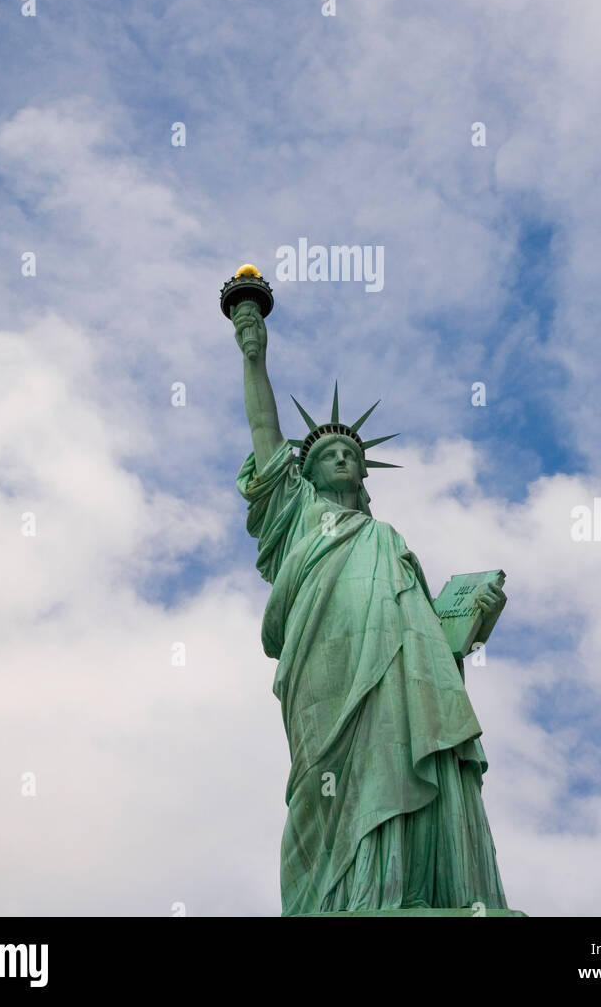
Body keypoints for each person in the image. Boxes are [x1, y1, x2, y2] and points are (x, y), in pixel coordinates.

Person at [231, 296, 508, 915]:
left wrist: (468, 617)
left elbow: (434, 641)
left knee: (399, 743)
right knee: (324, 780)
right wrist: (254, 356)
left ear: (362, 475)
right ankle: (335, 898)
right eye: (328, 455)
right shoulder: (298, 516)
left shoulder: (387, 540)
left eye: (350, 457)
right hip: (322, 668)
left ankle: (399, 887)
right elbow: (262, 430)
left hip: (400, 674)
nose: (341, 459)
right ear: (308, 472)